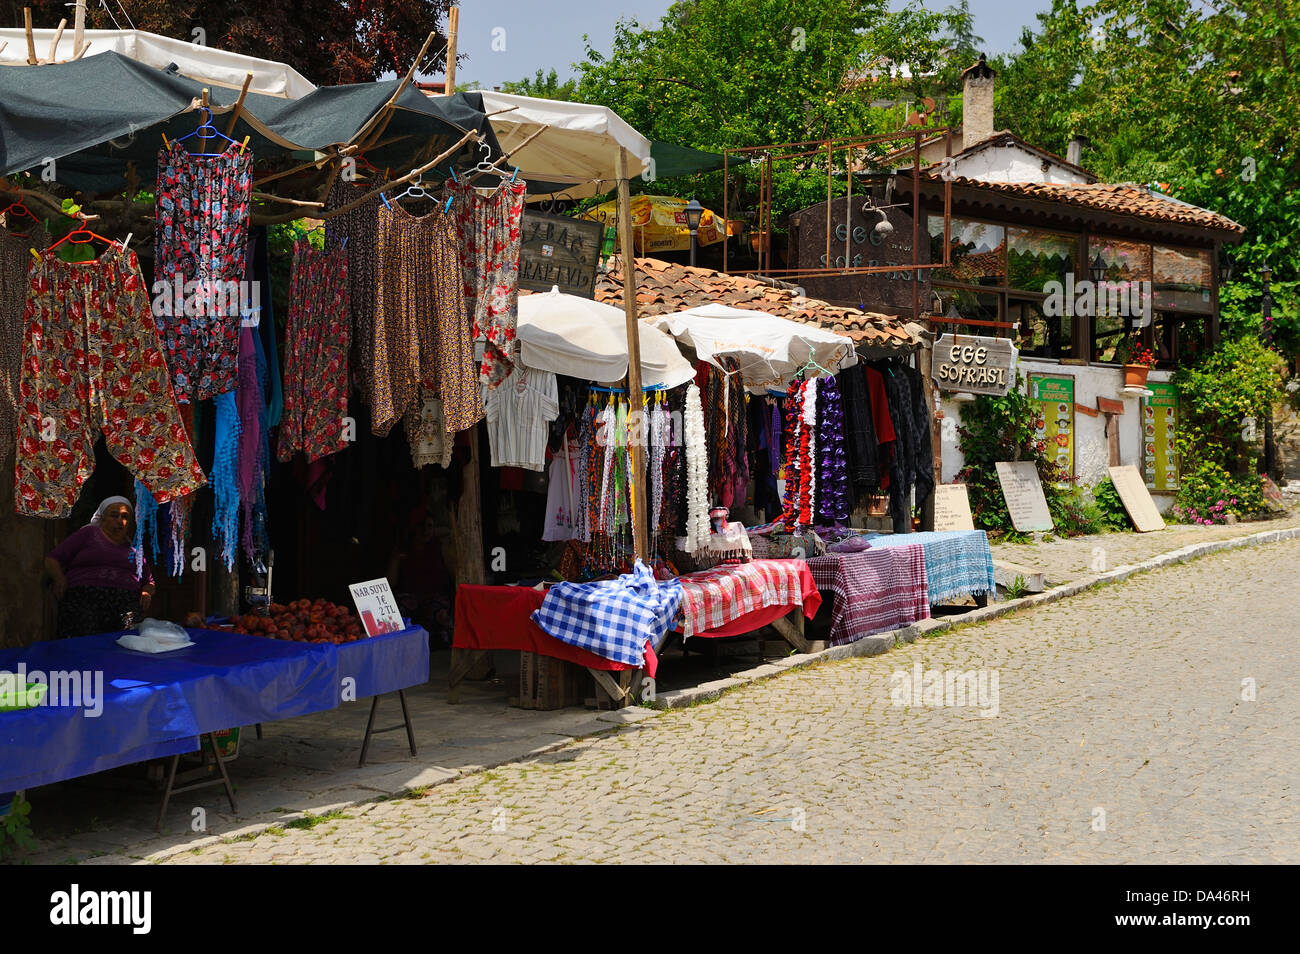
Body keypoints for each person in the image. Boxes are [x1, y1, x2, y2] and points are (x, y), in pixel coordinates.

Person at [44, 496, 156, 639]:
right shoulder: (89, 534)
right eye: (114, 515)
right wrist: (60, 579)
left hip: (126, 604)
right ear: (102, 518)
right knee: (85, 644)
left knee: (124, 644)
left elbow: (150, 581)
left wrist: (146, 592)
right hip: (85, 598)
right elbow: (52, 559)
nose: (119, 521)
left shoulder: (134, 549)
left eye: (124, 516)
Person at [387, 504, 454, 648]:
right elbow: (391, 583)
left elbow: (453, 573)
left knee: (440, 614)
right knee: (396, 613)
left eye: (429, 526)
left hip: (435, 596)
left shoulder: (440, 547)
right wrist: (395, 559)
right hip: (410, 596)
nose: (426, 531)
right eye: (421, 526)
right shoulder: (403, 549)